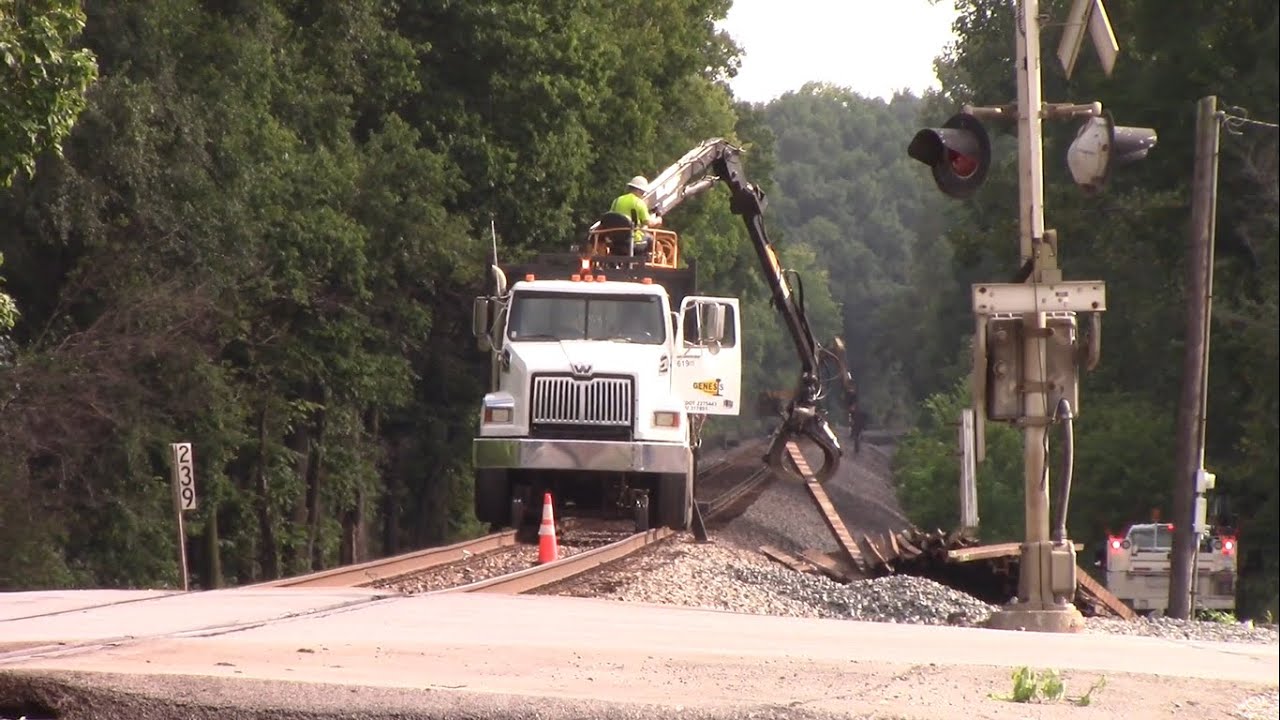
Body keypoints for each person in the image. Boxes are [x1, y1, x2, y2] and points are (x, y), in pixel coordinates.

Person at [609, 176, 662, 253]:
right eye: (643, 192)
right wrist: (658, 220)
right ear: (639, 190)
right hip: (633, 241)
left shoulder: (616, 201)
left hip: (616, 241)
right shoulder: (639, 203)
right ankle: (646, 259)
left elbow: (611, 218)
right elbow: (649, 223)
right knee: (650, 239)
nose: (643, 194)